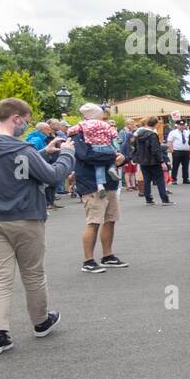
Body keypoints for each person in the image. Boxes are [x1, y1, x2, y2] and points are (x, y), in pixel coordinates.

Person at [0, 98, 75, 355]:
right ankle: (41, 322)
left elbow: (13, 168)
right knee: (33, 273)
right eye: (26, 121)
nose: (26, 126)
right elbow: (52, 176)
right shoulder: (21, 149)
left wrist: (43, 152)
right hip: (25, 218)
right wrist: (67, 154)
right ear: (16, 118)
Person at [70, 112, 128, 274]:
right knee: (94, 221)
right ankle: (88, 260)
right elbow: (86, 156)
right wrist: (111, 157)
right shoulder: (78, 134)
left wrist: (122, 158)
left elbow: (121, 152)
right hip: (91, 183)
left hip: (110, 182)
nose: (103, 121)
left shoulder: (108, 132)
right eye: (102, 117)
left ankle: (107, 256)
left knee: (110, 219)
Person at [68, 103, 121, 199]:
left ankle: (100, 184)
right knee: (109, 155)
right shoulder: (104, 125)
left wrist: (122, 157)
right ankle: (111, 168)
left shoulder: (81, 126)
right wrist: (114, 157)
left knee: (99, 166)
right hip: (91, 186)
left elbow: (71, 130)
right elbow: (86, 156)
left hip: (95, 148)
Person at [129, 116, 172, 206]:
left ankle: (148, 199)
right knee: (160, 179)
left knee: (146, 179)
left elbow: (134, 145)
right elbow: (155, 150)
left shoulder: (139, 134)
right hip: (153, 161)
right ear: (156, 124)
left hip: (143, 160)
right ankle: (165, 199)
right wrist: (162, 161)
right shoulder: (152, 135)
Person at [167, 119, 190, 185]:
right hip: (177, 151)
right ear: (177, 125)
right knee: (175, 166)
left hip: (186, 151)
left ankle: (185, 179)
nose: (181, 126)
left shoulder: (187, 132)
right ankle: (174, 179)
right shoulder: (173, 132)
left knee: (186, 166)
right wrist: (172, 151)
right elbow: (169, 142)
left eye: (183, 125)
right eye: (180, 125)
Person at [117, 118, 139, 190]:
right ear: (127, 124)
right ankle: (126, 184)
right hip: (126, 154)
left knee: (133, 171)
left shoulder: (131, 131)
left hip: (132, 155)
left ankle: (133, 184)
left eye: (133, 124)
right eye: (131, 124)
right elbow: (121, 143)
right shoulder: (122, 132)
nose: (133, 125)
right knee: (127, 171)